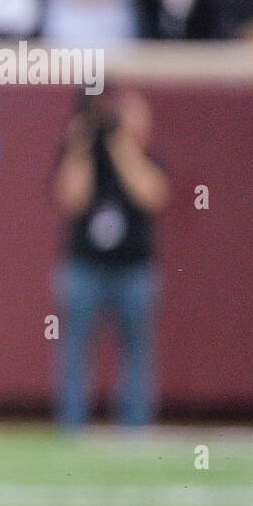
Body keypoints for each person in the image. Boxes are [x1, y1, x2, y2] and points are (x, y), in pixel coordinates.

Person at [52, 89, 168, 428]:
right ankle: (71, 427)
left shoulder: (148, 158)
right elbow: (70, 197)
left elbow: (152, 195)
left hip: (133, 270)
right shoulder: (87, 156)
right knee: (74, 351)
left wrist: (122, 146)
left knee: (136, 353)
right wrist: (81, 145)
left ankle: (135, 427)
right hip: (84, 267)